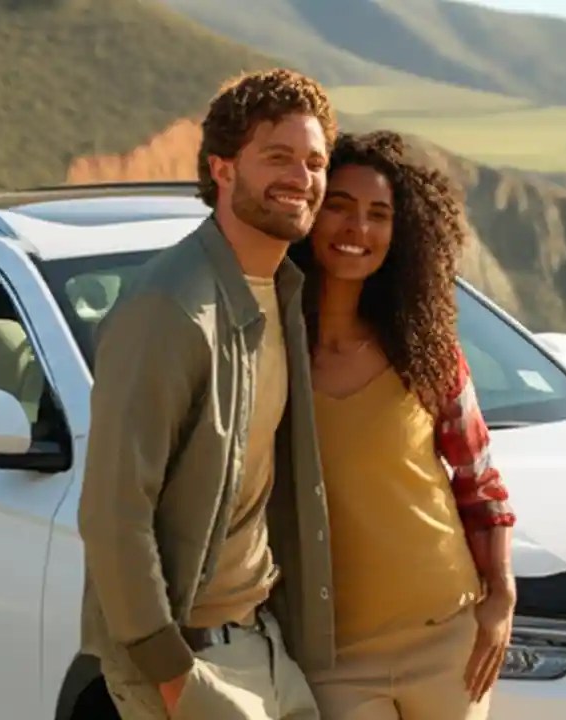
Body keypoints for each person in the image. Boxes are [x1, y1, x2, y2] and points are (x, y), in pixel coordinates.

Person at [77, 68, 338, 720]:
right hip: (190, 660)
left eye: (314, 162)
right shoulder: (168, 308)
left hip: (263, 645)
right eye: (276, 157)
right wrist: (172, 675)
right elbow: (113, 512)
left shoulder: (283, 295)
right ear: (222, 169)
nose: (301, 177)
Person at [288, 131, 518, 720]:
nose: (357, 228)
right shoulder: (271, 355)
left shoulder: (427, 354)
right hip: (333, 655)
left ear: (401, 233)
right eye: (339, 206)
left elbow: (480, 483)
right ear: (310, 213)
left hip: (448, 638)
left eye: (379, 214)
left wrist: (500, 598)